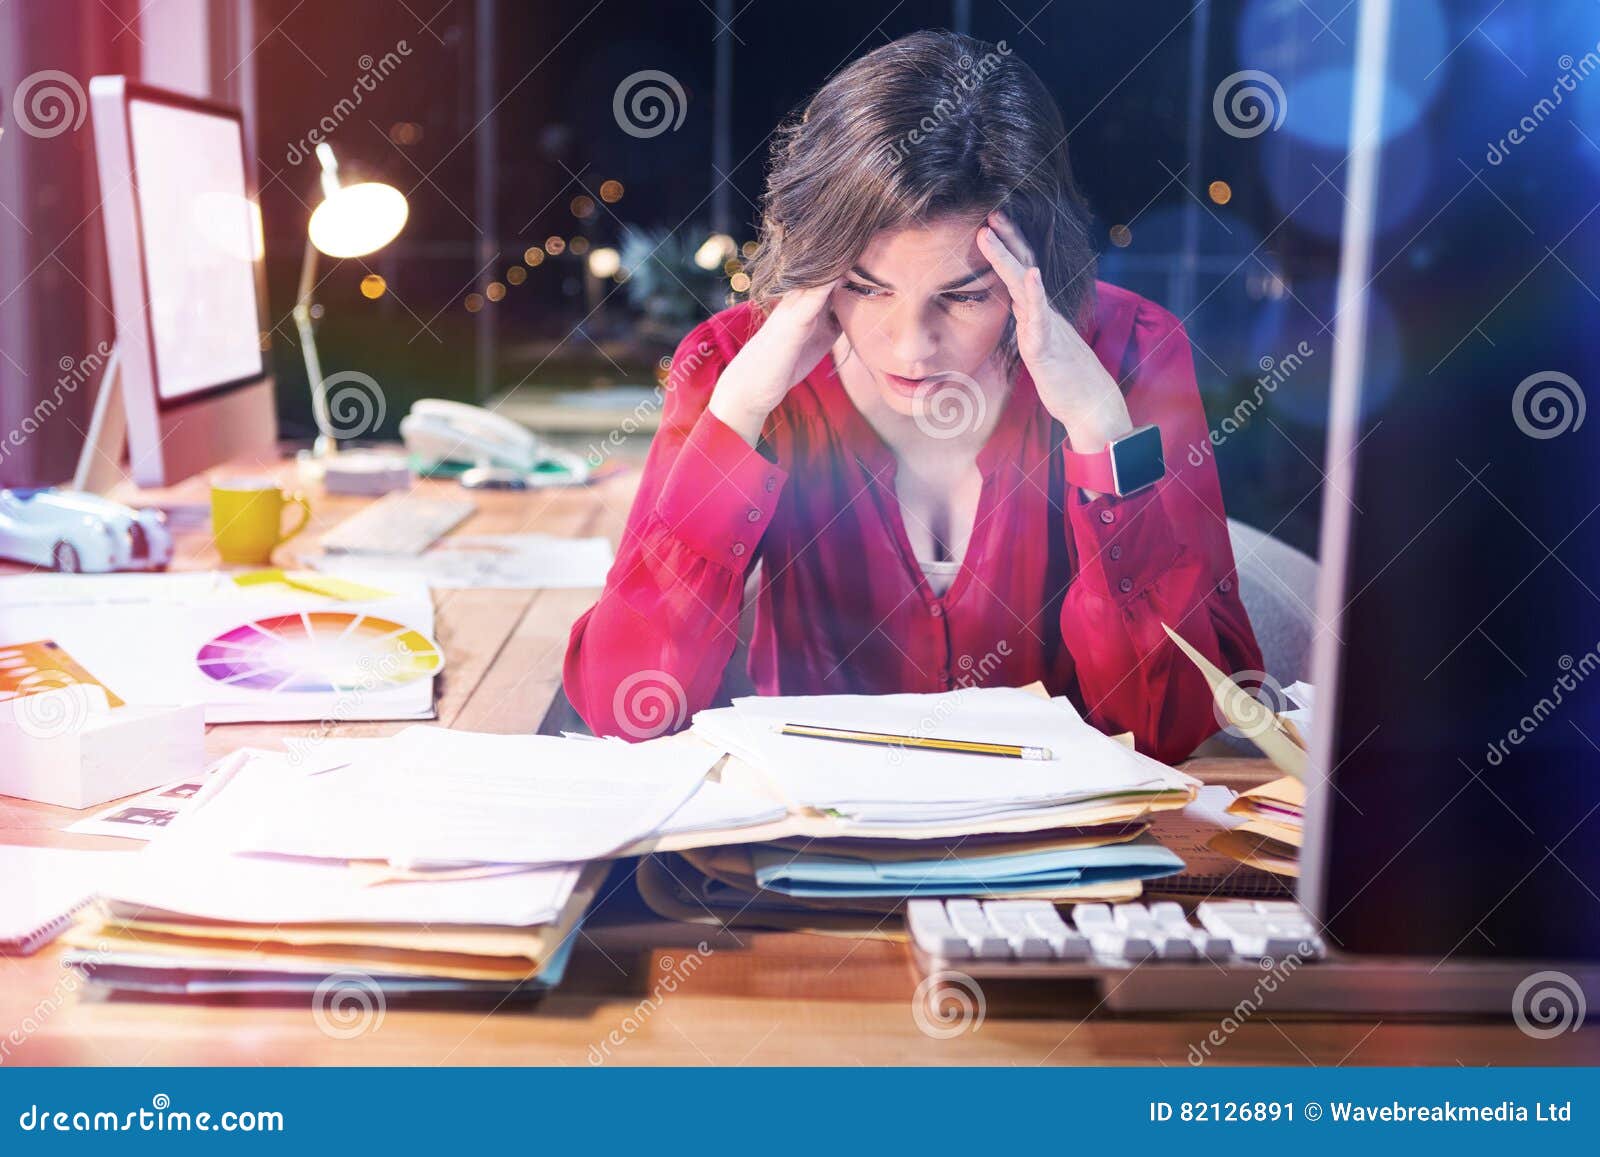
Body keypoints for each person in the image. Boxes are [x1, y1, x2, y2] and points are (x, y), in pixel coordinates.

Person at [564, 29, 1263, 764]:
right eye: (865, 287)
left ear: (1040, 266)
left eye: (963, 295)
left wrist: (1101, 434)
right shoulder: (730, 365)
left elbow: (1175, 722)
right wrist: (735, 419)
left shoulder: (1131, 352)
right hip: (810, 846)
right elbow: (625, 707)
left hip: (1053, 853)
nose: (908, 346)